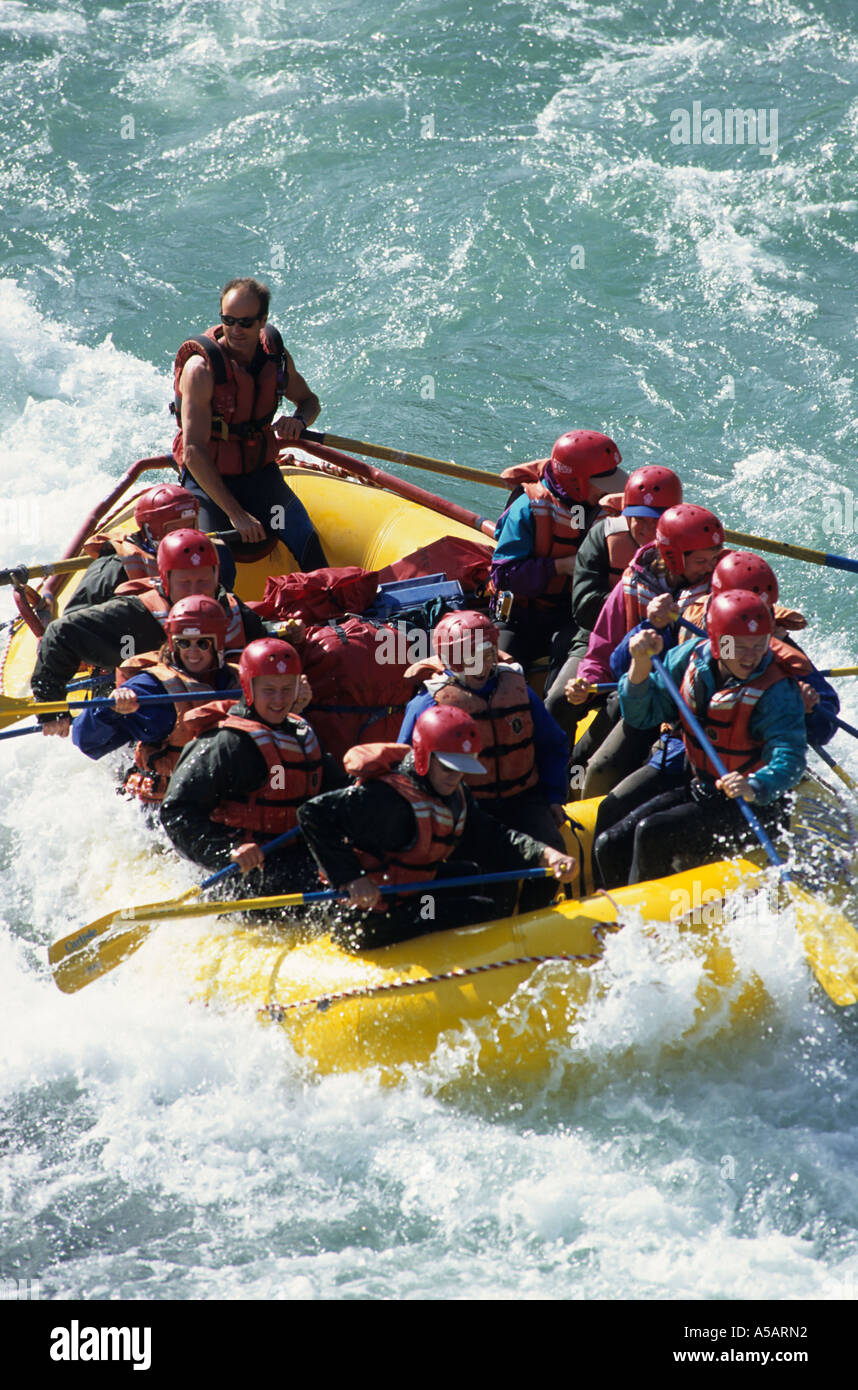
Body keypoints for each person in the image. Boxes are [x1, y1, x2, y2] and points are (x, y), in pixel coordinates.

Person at [298, 705, 579, 950]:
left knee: (480, 876)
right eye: (447, 767)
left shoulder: (455, 793)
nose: (455, 776)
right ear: (423, 757)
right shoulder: (385, 801)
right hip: (366, 918)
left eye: (462, 768)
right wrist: (351, 878)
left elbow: (493, 837)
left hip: (408, 894)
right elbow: (312, 813)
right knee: (478, 910)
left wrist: (546, 854)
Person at [591, 590, 807, 889]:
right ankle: (614, 913)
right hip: (704, 790)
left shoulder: (777, 689)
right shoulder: (690, 657)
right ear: (718, 642)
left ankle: (644, 923)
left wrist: (756, 785)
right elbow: (643, 716)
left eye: (759, 645)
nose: (750, 656)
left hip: (757, 807)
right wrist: (639, 667)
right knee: (609, 842)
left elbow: (791, 757)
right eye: (739, 646)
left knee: (652, 832)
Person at [34, 529, 269, 736]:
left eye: (203, 581)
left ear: (217, 577)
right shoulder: (133, 614)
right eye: (185, 583)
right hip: (145, 718)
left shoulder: (231, 609)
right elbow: (60, 633)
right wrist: (51, 708)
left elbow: (264, 643)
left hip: (217, 720)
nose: (196, 592)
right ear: (166, 580)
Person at [563, 503, 725, 797]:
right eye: (701, 561)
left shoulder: (717, 591)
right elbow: (605, 645)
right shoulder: (636, 580)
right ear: (673, 557)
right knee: (586, 754)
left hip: (679, 704)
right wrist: (586, 680)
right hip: (636, 691)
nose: (709, 568)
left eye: (713, 559)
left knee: (601, 765)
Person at [160, 638, 341, 895]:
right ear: (247, 686)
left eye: (287, 689)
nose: (279, 700)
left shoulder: (302, 733)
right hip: (245, 874)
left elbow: (336, 793)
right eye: (269, 690)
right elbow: (176, 812)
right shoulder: (225, 742)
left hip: (298, 857)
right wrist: (227, 852)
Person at [172, 276, 328, 570]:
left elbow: (310, 401)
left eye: (245, 322)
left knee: (303, 535)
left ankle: (334, 610)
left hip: (259, 475)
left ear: (262, 320)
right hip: (209, 482)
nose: (236, 330)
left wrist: (298, 421)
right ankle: (227, 615)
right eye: (228, 321)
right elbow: (192, 451)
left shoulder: (275, 360)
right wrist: (237, 514)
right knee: (213, 561)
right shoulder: (201, 370)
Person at [398, 610, 569, 850]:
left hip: (523, 800)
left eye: (488, 655)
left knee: (552, 856)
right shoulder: (426, 704)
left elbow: (553, 744)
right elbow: (406, 767)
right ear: (452, 660)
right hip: (464, 806)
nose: (483, 666)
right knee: (490, 871)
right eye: (471, 658)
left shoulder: (518, 690)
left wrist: (554, 796)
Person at [544, 465, 683, 738]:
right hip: (596, 640)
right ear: (626, 512)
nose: (647, 529)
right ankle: (559, 769)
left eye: (656, 521)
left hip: (657, 651)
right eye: (639, 519)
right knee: (559, 701)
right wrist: (633, 604)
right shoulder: (602, 536)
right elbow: (584, 608)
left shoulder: (687, 554)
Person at [70, 595, 242, 803]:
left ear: (218, 644)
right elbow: (84, 740)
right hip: (170, 802)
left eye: (203, 643)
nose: (192, 652)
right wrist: (111, 709)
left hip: (222, 791)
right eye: (184, 643)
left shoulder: (238, 678)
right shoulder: (153, 690)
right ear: (173, 643)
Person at [488, 430, 626, 674]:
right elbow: (503, 575)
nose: (610, 492)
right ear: (576, 482)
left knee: (574, 660)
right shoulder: (528, 508)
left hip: (571, 617)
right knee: (496, 670)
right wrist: (561, 566)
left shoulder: (608, 506)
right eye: (602, 485)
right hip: (519, 617)